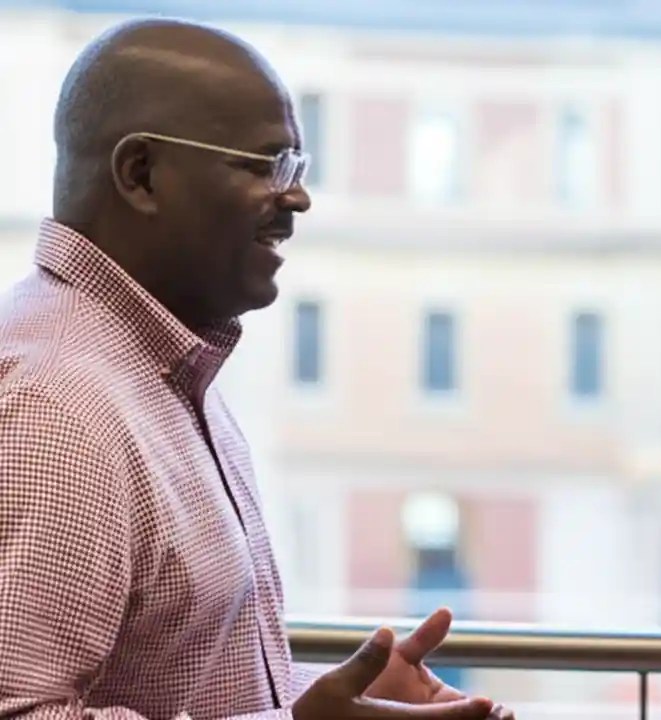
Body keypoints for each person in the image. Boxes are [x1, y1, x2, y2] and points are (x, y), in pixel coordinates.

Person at [0, 18, 511, 720]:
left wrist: (335, 699)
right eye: (264, 165)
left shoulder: (160, 372)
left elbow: (187, 690)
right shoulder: (58, 406)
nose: (297, 199)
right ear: (141, 174)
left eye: (296, 169)